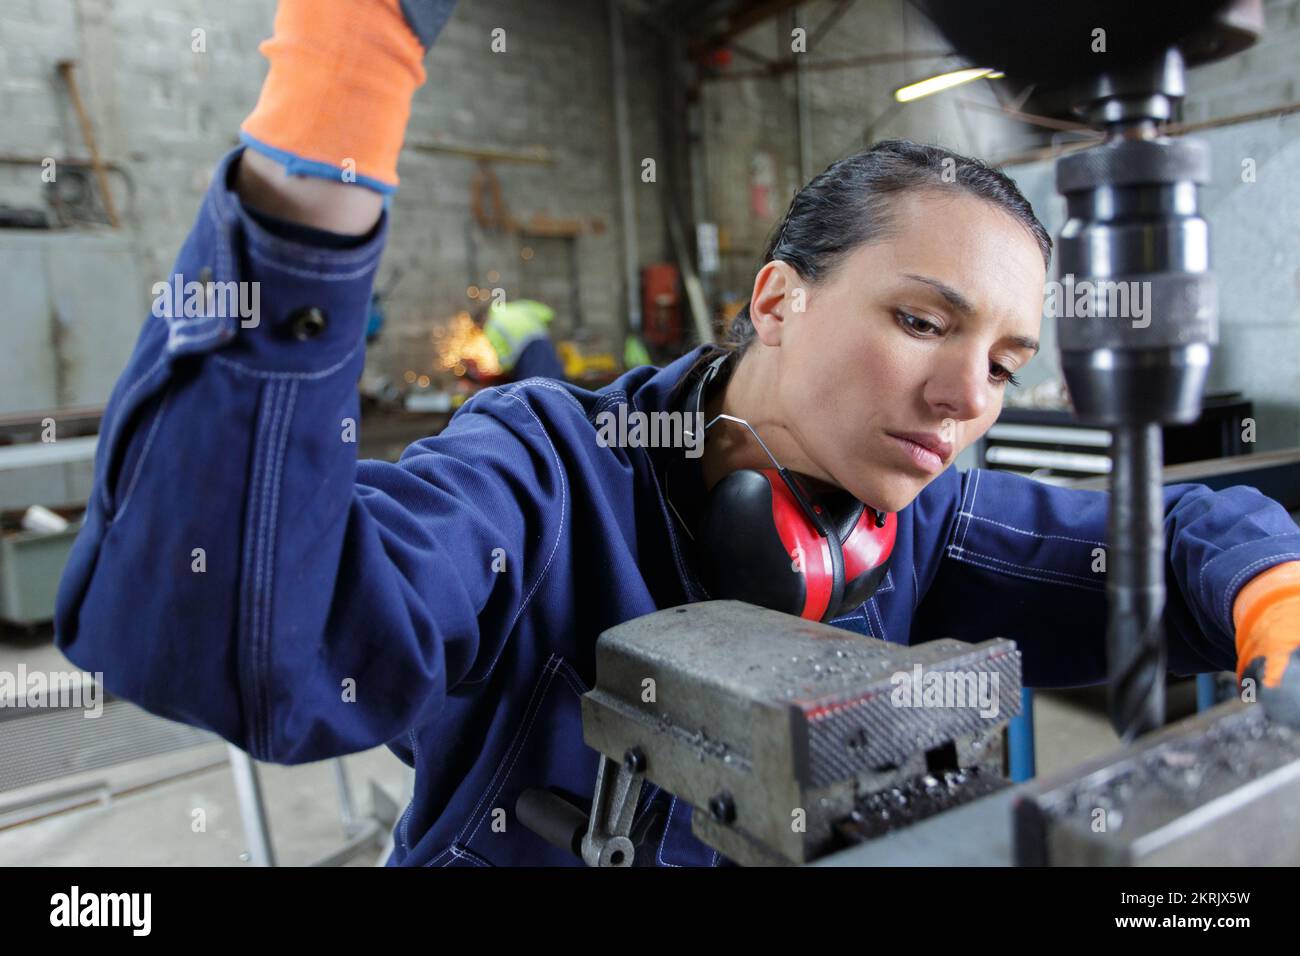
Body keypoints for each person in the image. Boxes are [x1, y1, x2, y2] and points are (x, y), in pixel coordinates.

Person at [54, 0, 1300, 867]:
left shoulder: (915, 523)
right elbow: (244, 639)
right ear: (775, 297)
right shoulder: (546, 476)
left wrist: (1274, 596)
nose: (966, 395)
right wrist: (340, 87)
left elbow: (1179, 532)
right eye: (923, 319)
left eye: (1007, 363)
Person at [475, 298, 566, 382]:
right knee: (555, 379)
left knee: (533, 385)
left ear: (482, 319)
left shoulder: (492, 326)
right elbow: (548, 314)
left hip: (525, 355)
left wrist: (506, 372)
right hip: (543, 342)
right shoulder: (519, 307)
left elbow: (505, 360)